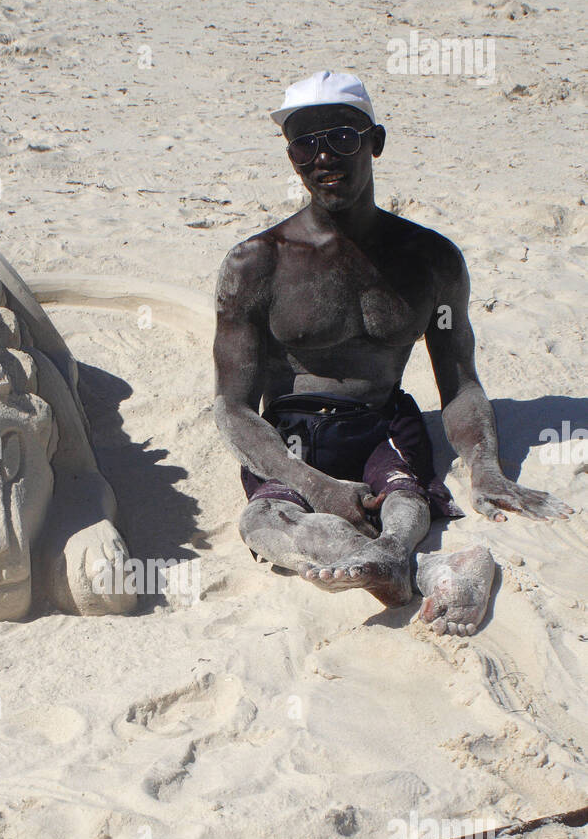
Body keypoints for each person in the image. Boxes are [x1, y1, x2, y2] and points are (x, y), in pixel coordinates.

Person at [213, 70, 572, 634]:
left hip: (380, 419)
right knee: (263, 520)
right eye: (305, 143)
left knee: (406, 502)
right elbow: (232, 408)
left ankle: (392, 556)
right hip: (291, 435)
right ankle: (423, 569)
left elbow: (458, 382)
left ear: (375, 142)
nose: (323, 156)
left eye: (342, 138)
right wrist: (315, 485)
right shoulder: (257, 263)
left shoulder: (430, 260)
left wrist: (485, 471)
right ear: (291, 157)